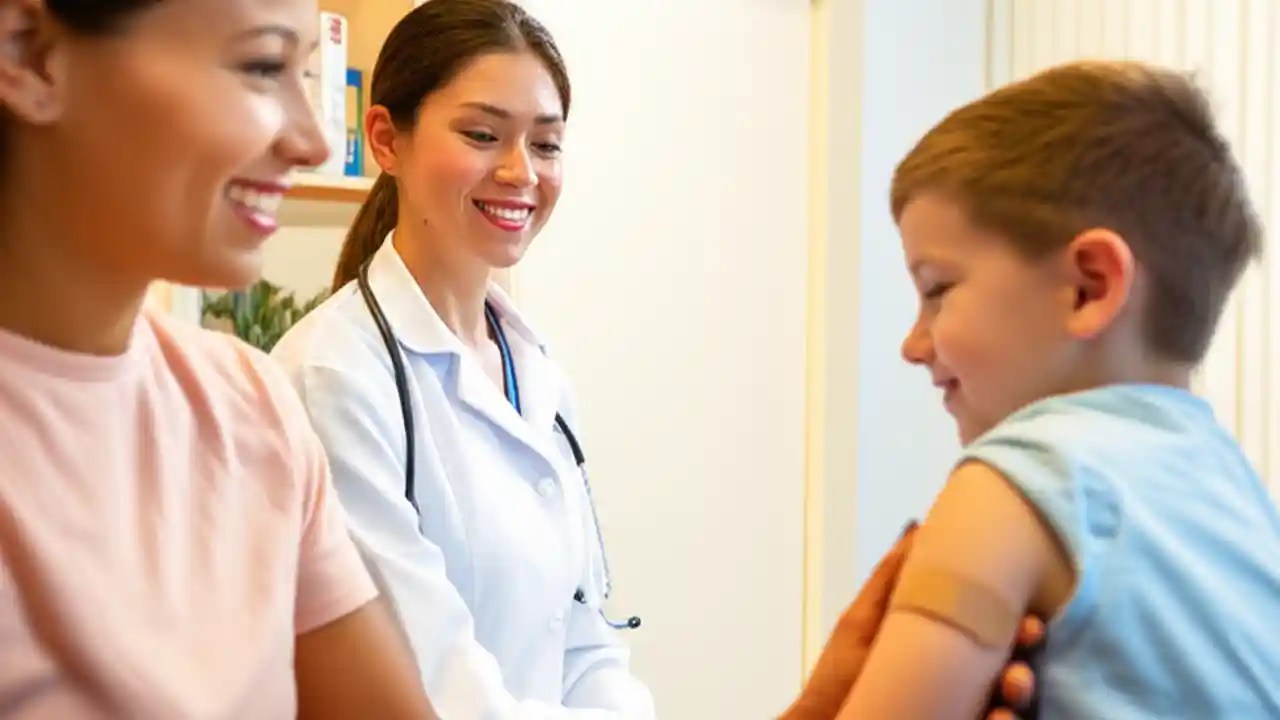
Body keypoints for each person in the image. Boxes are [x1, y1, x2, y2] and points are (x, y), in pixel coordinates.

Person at [0, 0, 436, 717]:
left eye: (304, 72)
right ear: (31, 53)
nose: (313, 141)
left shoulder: (247, 404)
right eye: (262, 66)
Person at [831, 59, 1280, 718]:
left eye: (937, 291)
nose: (913, 343)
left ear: (1089, 287)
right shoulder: (1238, 498)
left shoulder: (1011, 482)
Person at [270, 1, 655, 717]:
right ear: (385, 139)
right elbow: (428, 675)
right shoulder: (331, 378)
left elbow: (584, 635)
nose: (520, 172)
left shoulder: (536, 372)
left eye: (545, 145)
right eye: (482, 135)